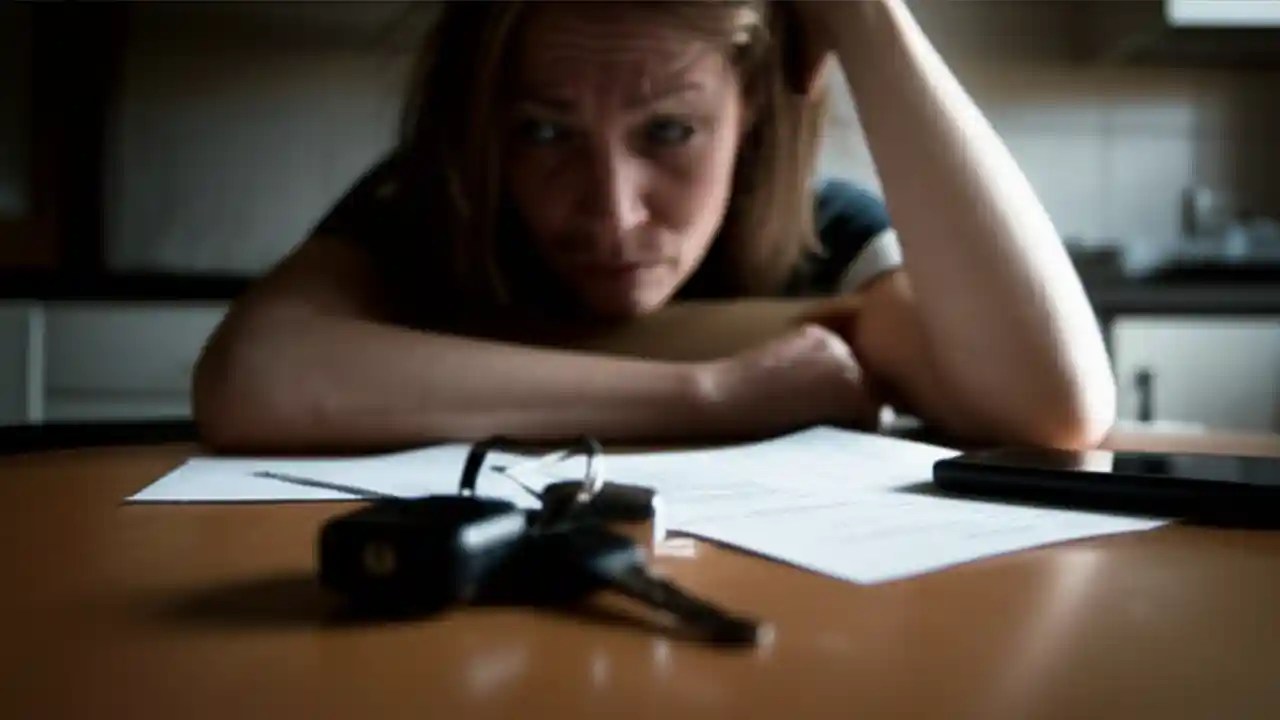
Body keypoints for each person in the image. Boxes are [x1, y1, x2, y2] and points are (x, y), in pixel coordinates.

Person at [192, 0, 1115, 453]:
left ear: (750, 108)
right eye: (545, 133)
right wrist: (716, 394)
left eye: (669, 132)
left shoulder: (826, 236)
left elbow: (1052, 404)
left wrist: (865, 18)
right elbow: (256, 377)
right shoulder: (436, 206)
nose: (611, 209)